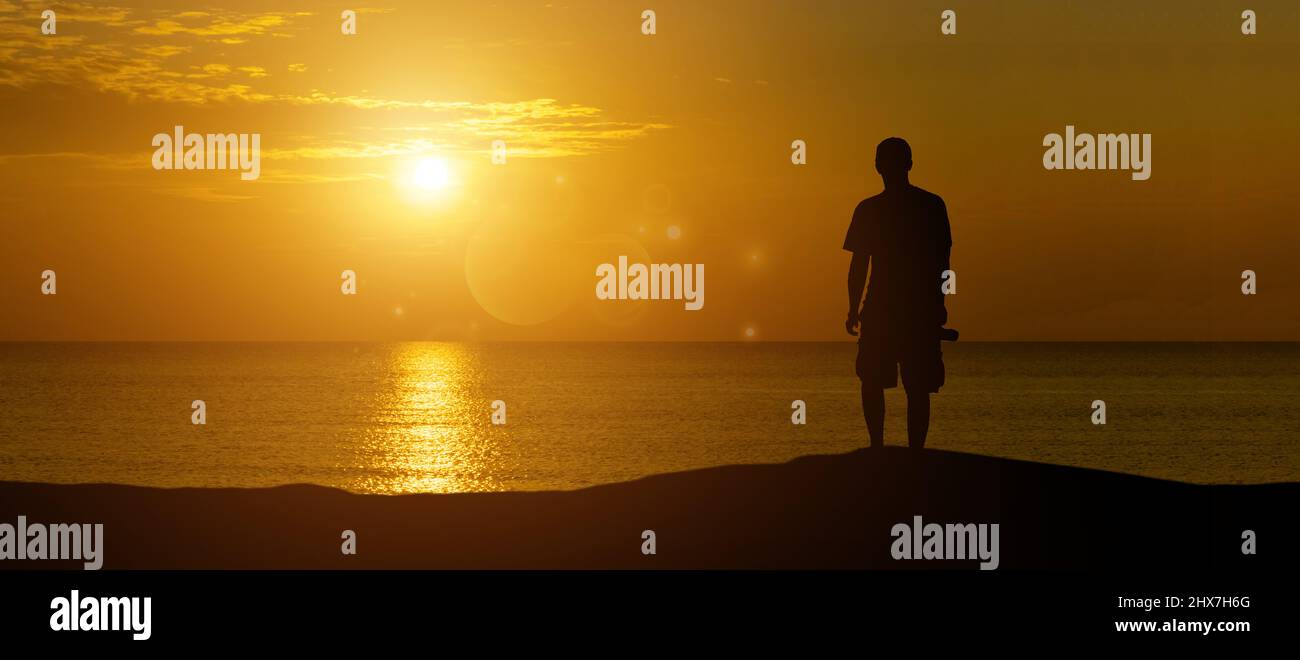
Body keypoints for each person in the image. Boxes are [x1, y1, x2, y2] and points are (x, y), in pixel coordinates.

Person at [843, 137, 952, 449]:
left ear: (878, 166)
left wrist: (853, 309)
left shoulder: (875, 209)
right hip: (900, 309)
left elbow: (859, 265)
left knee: (892, 382)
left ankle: (883, 447)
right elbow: (943, 261)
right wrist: (940, 302)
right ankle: (903, 450)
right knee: (898, 382)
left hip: (895, 309)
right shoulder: (929, 206)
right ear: (910, 164)